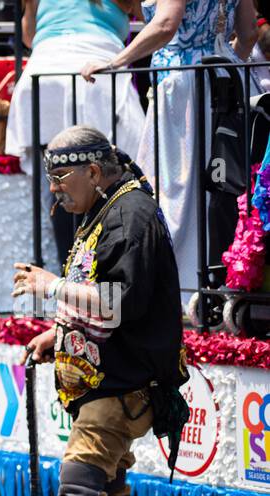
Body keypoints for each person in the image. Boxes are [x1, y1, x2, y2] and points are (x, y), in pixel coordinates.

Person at [11, 126, 185, 496]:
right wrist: (55, 332)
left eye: (61, 178)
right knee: (108, 493)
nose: (55, 190)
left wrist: (50, 288)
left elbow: (120, 302)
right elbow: (102, 300)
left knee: (80, 483)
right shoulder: (108, 209)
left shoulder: (130, 214)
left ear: (93, 171)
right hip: (112, 381)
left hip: (123, 386)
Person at [82, 0, 258, 302]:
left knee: (175, 185)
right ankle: (218, 278)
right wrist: (224, 63)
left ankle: (177, 286)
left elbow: (166, 24)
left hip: (183, 82)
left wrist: (115, 62)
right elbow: (250, 33)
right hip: (224, 77)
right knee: (220, 181)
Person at [7, 0, 148, 263]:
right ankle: (108, 269)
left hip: (43, 77)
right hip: (92, 72)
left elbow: (29, 35)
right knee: (124, 171)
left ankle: (70, 274)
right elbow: (150, 15)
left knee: (61, 180)